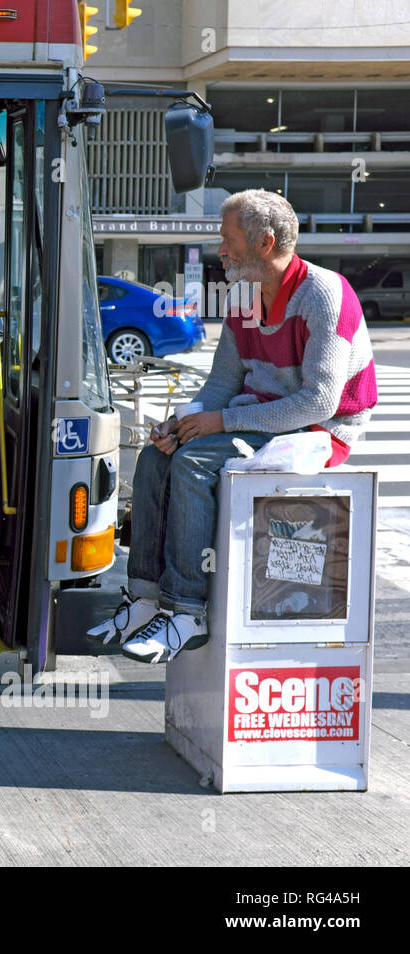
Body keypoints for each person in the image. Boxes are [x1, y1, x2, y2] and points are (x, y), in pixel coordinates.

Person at [89, 189, 378, 663]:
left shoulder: (324, 294)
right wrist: (183, 419)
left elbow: (320, 401)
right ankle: (143, 598)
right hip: (262, 417)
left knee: (193, 463)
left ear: (265, 242)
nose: (220, 250)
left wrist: (219, 421)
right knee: (155, 455)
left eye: (228, 239)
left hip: (319, 431)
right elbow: (223, 382)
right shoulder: (245, 296)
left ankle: (186, 612)